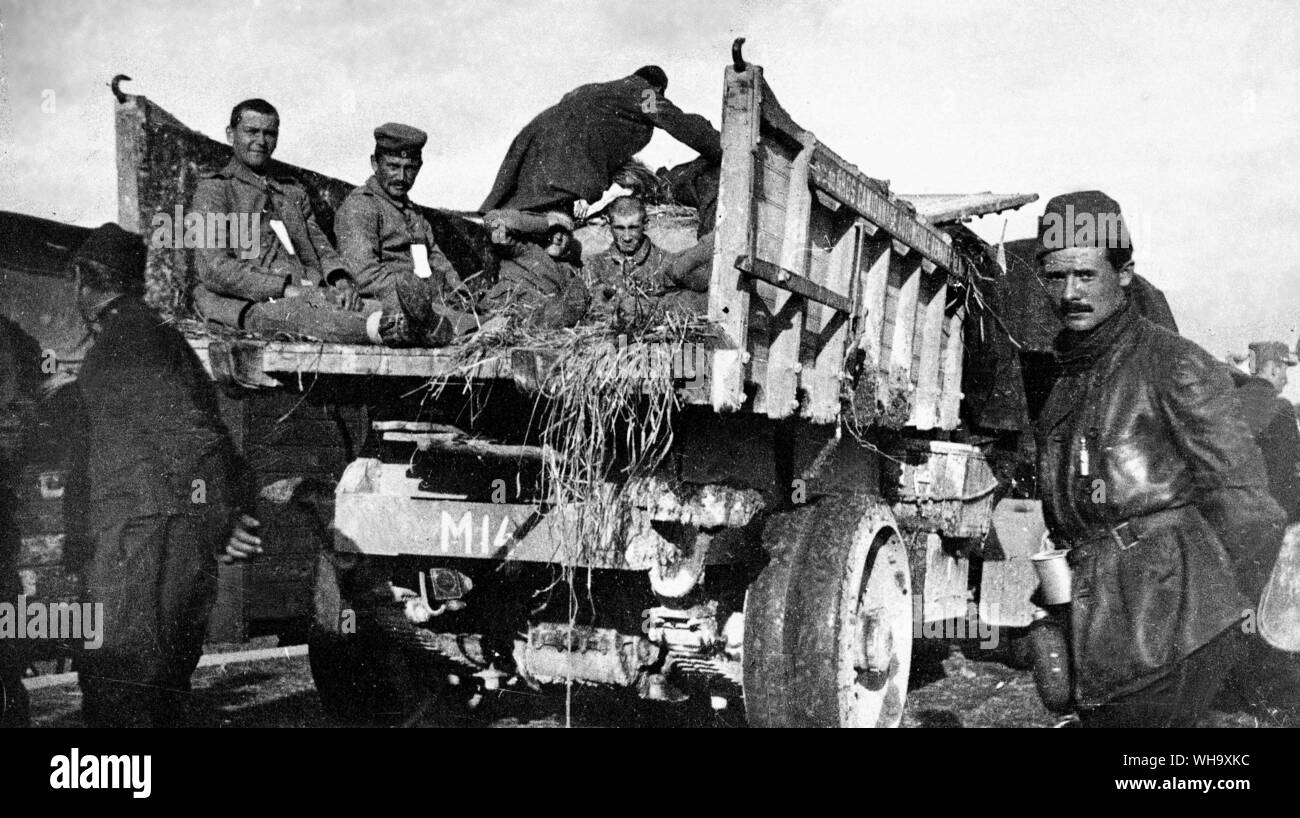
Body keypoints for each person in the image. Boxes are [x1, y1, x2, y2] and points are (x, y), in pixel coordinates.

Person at [1032, 190, 1285, 728]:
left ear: (1124, 274)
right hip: (1103, 614)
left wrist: (1224, 600)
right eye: (1056, 277)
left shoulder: (1172, 363)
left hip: (1173, 621)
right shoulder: (1067, 376)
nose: (1070, 293)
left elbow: (1246, 503)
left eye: (1086, 274)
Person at [67, 223, 265, 727]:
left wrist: (221, 517)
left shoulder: (125, 344)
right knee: (155, 692)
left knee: (125, 692)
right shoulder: (159, 338)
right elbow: (213, 433)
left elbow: (192, 437)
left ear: (83, 282)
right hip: (158, 547)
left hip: (142, 549)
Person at [192, 100, 443, 346]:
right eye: (251, 132)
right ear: (230, 134)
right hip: (250, 303)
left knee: (384, 308)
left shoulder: (291, 193)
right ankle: (390, 331)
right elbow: (214, 268)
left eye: (269, 133)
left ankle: (433, 328)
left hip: (312, 295)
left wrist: (342, 283)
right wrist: (285, 288)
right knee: (311, 317)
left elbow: (321, 248)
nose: (261, 141)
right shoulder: (214, 191)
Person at [480, 66, 721, 219]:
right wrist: (719, 147)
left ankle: (490, 224)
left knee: (517, 206)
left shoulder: (592, 90)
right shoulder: (643, 91)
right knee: (556, 217)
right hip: (570, 160)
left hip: (533, 141)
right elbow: (673, 119)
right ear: (657, 87)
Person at [335, 123, 462, 310]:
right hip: (389, 307)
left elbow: (437, 260)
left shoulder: (413, 213)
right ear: (375, 163)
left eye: (410, 168)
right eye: (393, 166)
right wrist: (430, 294)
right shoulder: (361, 206)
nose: (402, 177)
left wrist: (461, 293)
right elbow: (364, 277)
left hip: (423, 301)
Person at [585, 196, 709, 323]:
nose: (627, 237)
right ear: (608, 225)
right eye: (619, 228)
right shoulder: (595, 265)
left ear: (646, 224)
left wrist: (651, 307)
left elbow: (703, 302)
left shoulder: (665, 263)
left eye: (633, 228)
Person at [1233, 341, 1300, 521]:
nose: (1286, 379)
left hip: (1236, 508)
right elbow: (1286, 476)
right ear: (1273, 370)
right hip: (1271, 513)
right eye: (1284, 369)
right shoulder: (1281, 409)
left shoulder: (1230, 401)